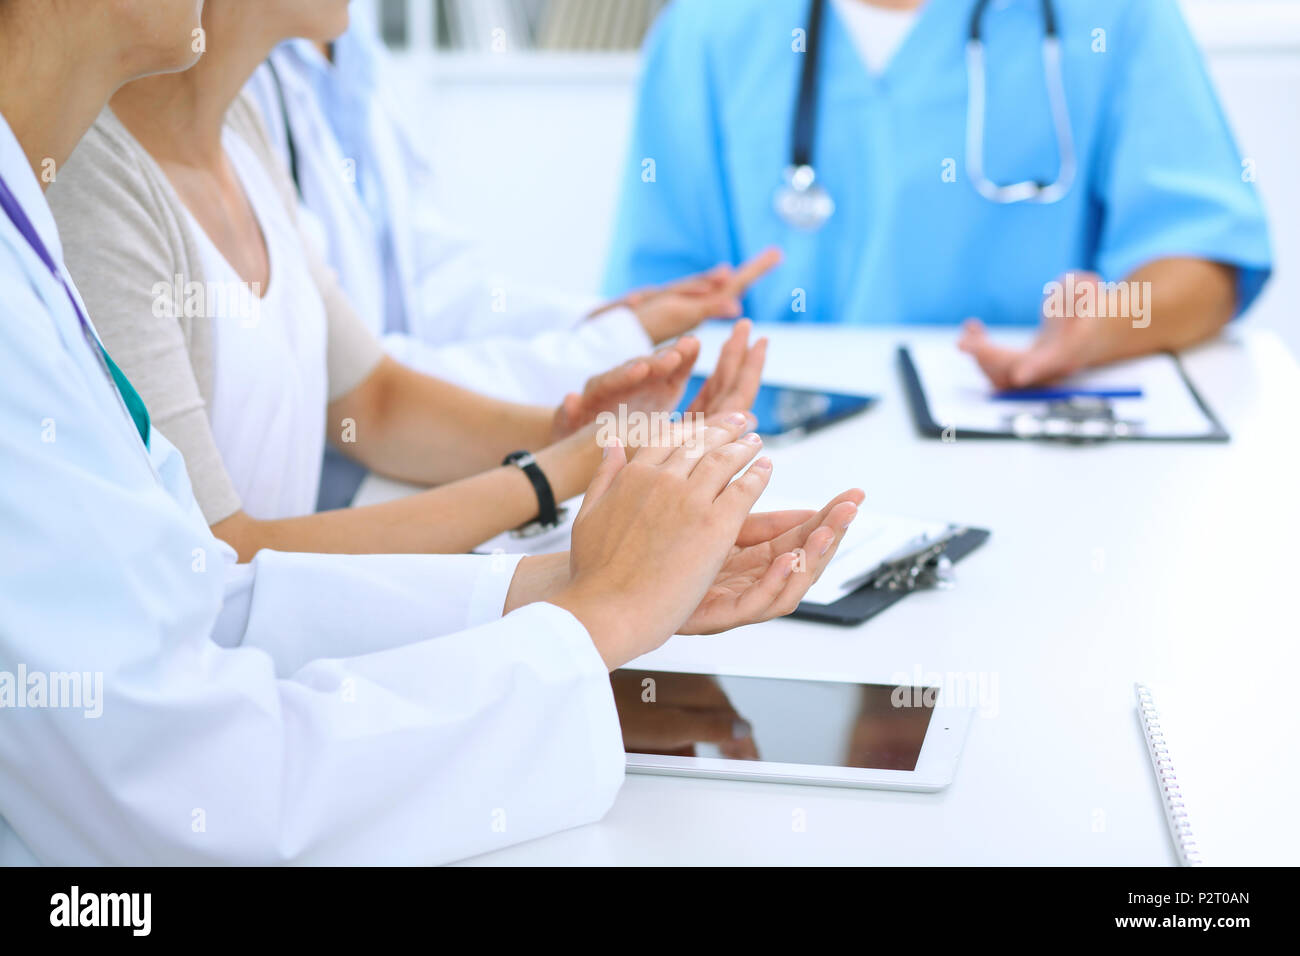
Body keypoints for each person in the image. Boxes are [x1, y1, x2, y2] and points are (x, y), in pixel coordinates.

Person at [0, 0, 861, 865]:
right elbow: (192, 787)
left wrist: (567, 580)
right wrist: (597, 604)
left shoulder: (42, 231)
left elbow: (217, 602)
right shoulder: (67, 213)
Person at [46, 0, 770, 561]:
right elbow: (218, 555)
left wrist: (579, 434)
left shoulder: (238, 126)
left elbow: (374, 397)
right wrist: (550, 477)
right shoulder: (92, 182)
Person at [244, 4, 781, 509]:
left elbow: (435, 291)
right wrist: (597, 404)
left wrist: (605, 323)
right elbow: (362, 386)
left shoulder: (352, 42)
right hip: (339, 490)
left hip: (404, 472)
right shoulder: (237, 94)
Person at [604, 0, 1273, 388]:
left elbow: (1207, 260)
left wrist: (1103, 327)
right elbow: (654, 306)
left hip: (1037, 448)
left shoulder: (1113, 16)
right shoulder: (707, 28)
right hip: (776, 467)